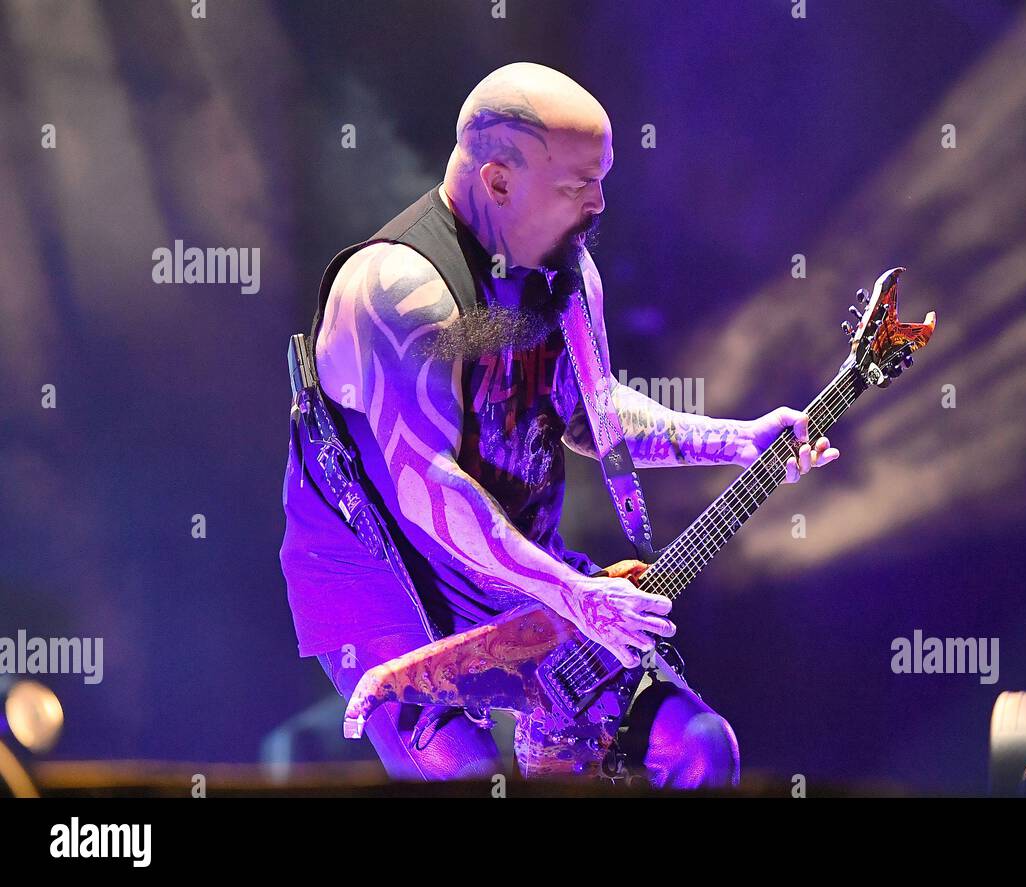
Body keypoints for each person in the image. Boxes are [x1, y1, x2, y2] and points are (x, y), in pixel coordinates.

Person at [279, 62, 839, 787]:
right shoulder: (398, 291)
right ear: (499, 181)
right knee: (471, 775)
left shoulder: (567, 270)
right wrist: (570, 592)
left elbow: (591, 413)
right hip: (386, 573)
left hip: (513, 557)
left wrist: (740, 440)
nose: (600, 202)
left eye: (601, 179)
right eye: (579, 184)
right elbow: (429, 492)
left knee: (700, 747)